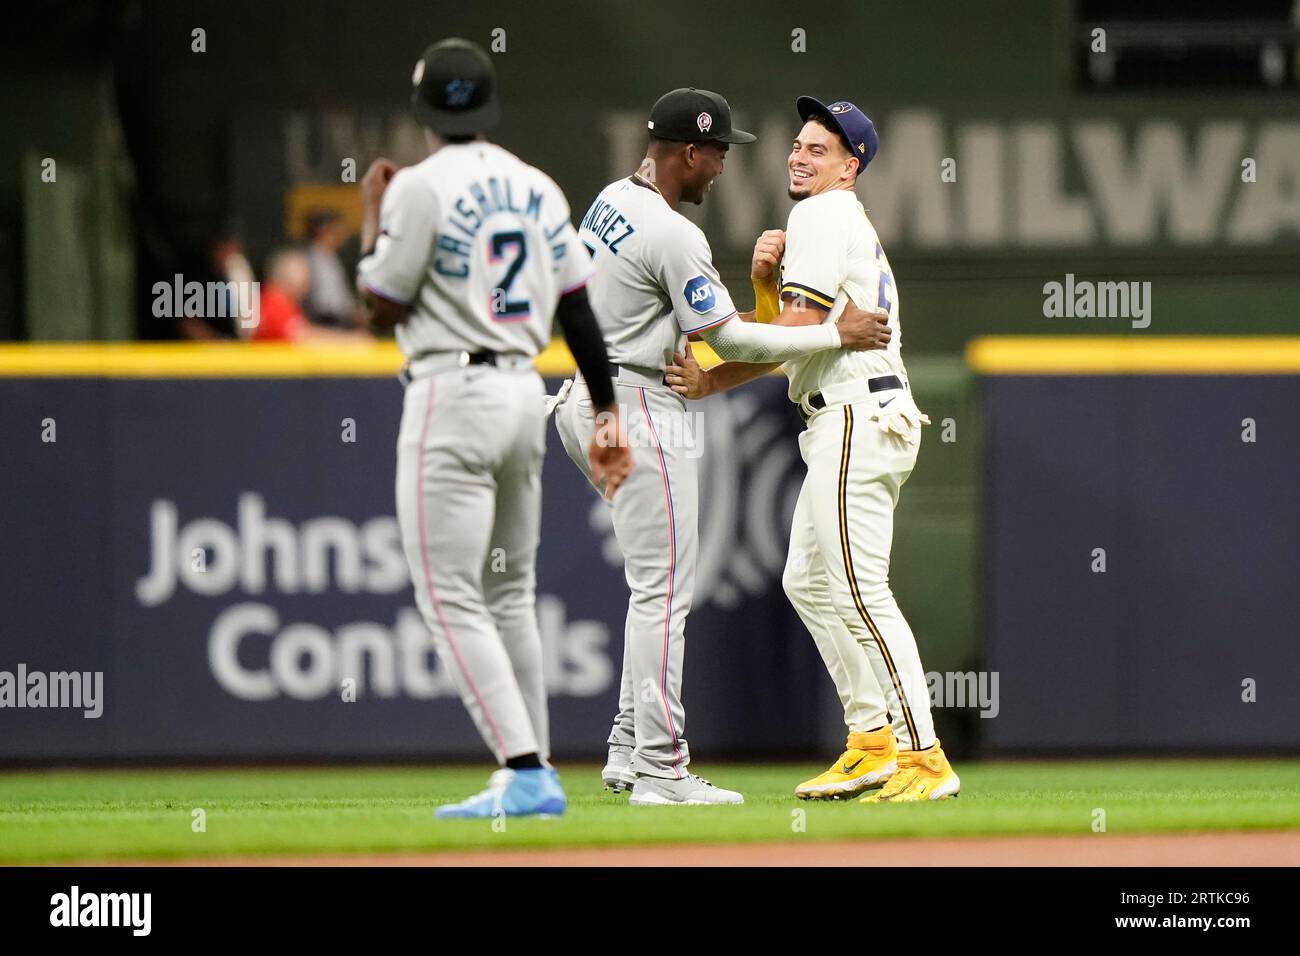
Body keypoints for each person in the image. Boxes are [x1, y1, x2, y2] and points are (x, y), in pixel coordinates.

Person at [554, 88, 891, 807]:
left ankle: (625, 747)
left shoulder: (615, 197)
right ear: (688, 153)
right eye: (716, 154)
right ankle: (662, 770)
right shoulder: (675, 234)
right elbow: (729, 341)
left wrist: (763, 297)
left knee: (652, 587)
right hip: (639, 401)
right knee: (665, 595)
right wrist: (837, 332)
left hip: (584, 400)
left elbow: (715, 322)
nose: (721, 168)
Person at [356, 38, 631, 819]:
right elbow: (576, 307)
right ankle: (531, 772)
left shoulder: (418, 187)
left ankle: (525, 768)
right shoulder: (538, 186)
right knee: (509, 593)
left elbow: (380, 305)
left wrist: (374, 216)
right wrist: (607, 410)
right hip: (524, 390)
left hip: (451, 391)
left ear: (422, 107)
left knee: (447, 598)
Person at [665, 97, 960, 803]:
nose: (799, 156)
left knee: (860, 590)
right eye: (797, 145)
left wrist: (710, 347)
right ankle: (871, 741)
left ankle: (926, 756)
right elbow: (797, 337)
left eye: (819, 149)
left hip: (858, 414)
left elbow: (792, 332)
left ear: (849, 167)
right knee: (808, 580)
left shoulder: (822, 215)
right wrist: (764, 290)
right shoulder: (831, 220)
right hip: (849, 414)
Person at [304, 209, 361, 329]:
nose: (343, 234)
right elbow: (326, 304)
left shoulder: (331, 258)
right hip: (324, 323)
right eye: (337, 229)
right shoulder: (312, 260)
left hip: (341, 321)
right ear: (324, 231)